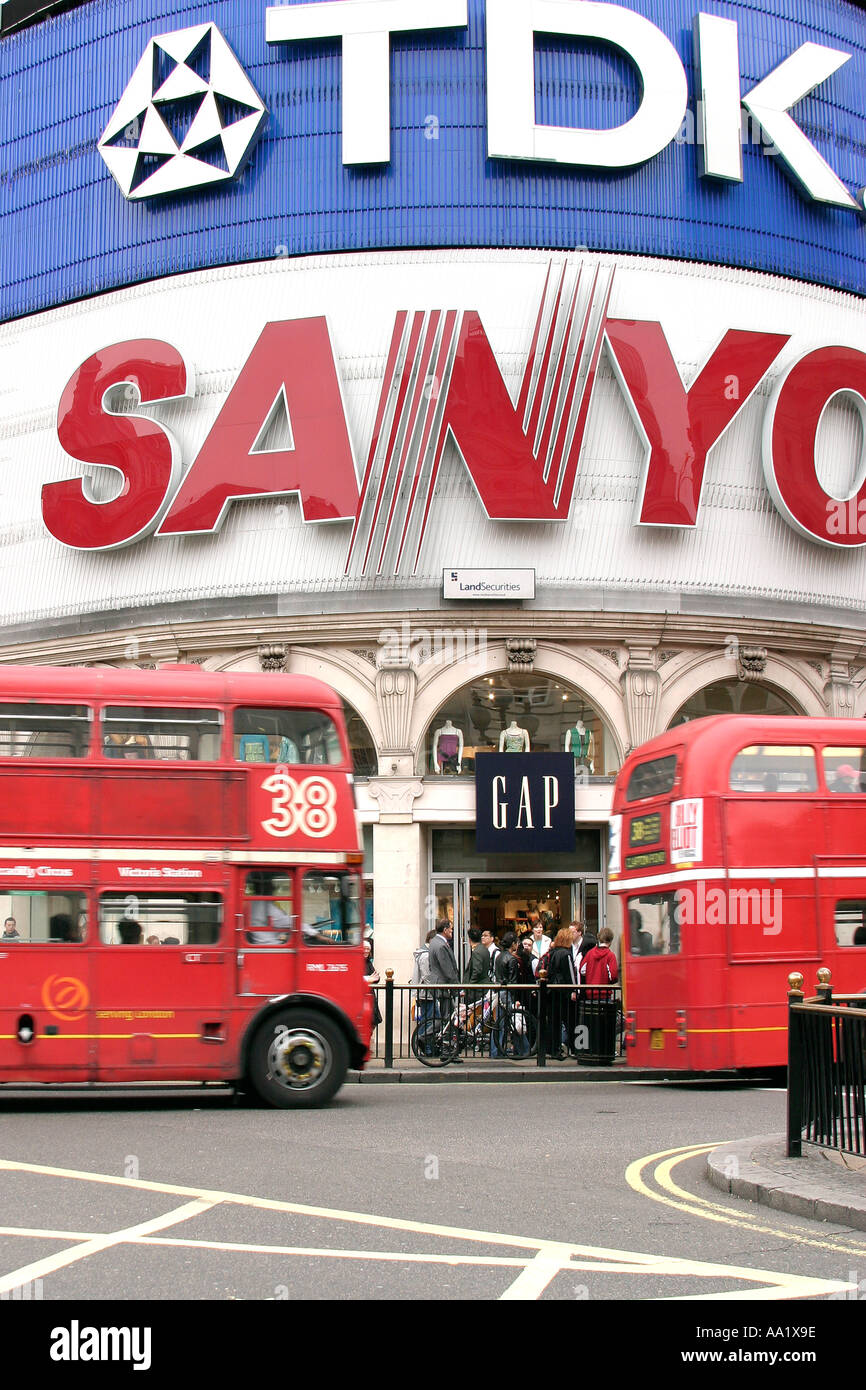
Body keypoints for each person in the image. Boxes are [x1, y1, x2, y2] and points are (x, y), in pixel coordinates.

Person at [546, 927, 578, 1058]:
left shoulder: (553, 952)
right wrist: (574, 990)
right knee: (570, 1021)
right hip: (563, 992)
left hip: (552, 991)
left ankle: (553, 1049)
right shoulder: (566, 954)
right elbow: (570, 974)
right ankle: (575, 1048)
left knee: (554, 1022)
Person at [363, 938, 382, 1028]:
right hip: (361, 998)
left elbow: (376, 977)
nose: (366, 951)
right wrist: (368, 979)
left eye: (368, 949)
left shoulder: (368, 963)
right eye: (365, 948)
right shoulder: (355, 962)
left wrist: (372, 979)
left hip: (369, 997)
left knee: (371, 1024)